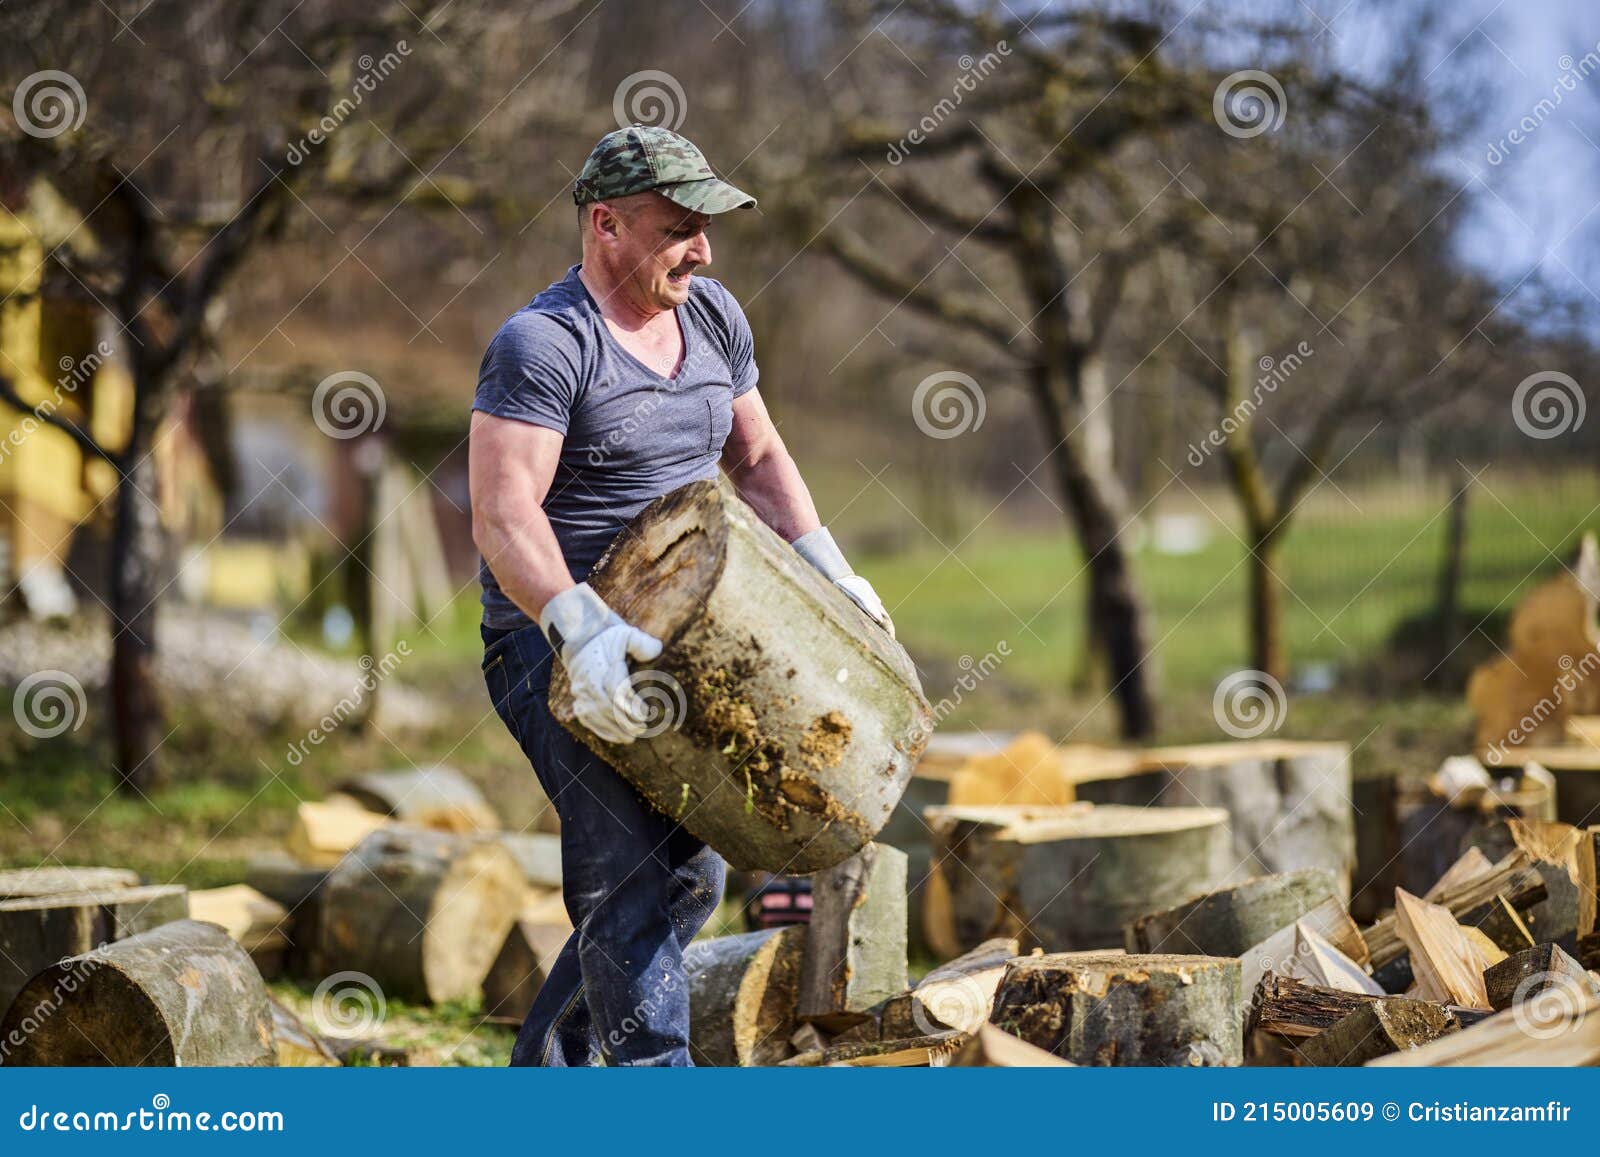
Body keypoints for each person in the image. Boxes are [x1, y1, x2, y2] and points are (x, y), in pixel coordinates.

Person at [469, 125, 894, 1066]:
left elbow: (758, 455)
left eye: (706, 227)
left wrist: (831, 568)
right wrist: (576, 627)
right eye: (677, 229)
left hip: (692, 633)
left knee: (690, 877)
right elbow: (503, 517)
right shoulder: (542, 345)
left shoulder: (713, 319)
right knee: (626, 876)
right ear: (606, 223)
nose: (701, 249)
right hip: (553, 641)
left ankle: (545, 1082)